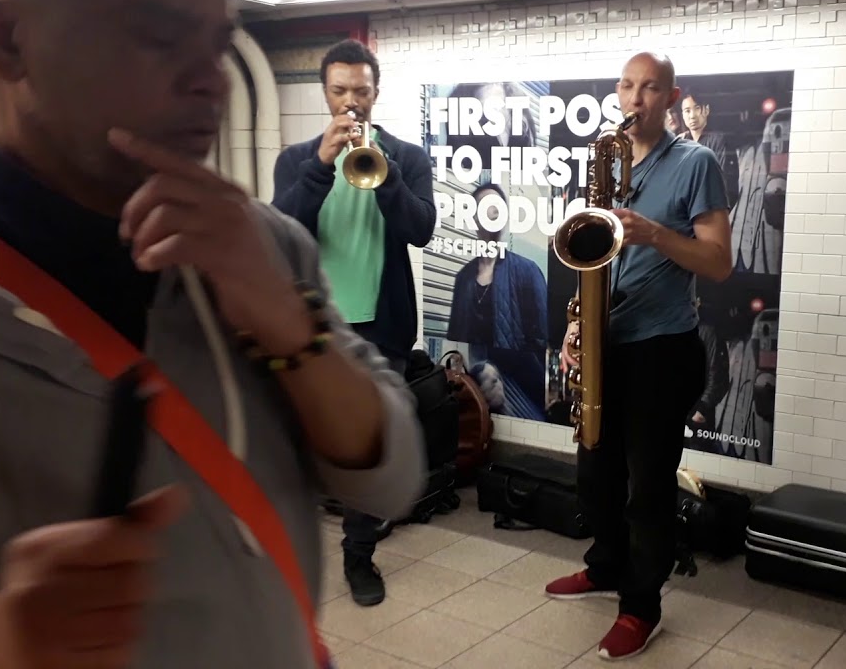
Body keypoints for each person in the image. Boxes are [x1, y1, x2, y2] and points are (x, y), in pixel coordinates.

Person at [0, 0, 425, 667]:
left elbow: (393, 478)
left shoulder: (261, 242)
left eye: (217, 43)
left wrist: (288, 323)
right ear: (6, 38)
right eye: (157, 35)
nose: (212, 82)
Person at [543, 52, 732, 661]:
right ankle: (603, 567)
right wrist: (579, 325)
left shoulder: (696, 162)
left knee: (646, 486)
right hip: (606, 344)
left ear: (672, 96)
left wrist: (652, 231)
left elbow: (719, 262)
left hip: (661, 349)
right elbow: (592, 262)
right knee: (595, 475)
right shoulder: (604, 164)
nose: (636, 98)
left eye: (650, 88)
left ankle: (640, 606)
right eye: (627, 86)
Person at [272, 38, 436, 608]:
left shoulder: (408, 157)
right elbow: (279, 231)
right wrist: (321, 167)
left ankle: (358, 555)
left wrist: (385, 174)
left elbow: (421, 230)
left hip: (380, 328)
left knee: (370, 447)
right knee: (299, 442)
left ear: (375, 93)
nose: (351, 103)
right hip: (310, 329)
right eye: (339, 92)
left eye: (360, 92)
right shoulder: (296, 159)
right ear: (325, 93)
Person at [445, 182, 549, 420]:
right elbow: (457, 339)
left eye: (498, 207)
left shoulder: (527, 270)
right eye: (487, 206)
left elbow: (543, 342)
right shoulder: (463, 278)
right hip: (476, 381)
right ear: (473, 218)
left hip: (521, 386)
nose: (494, 212)